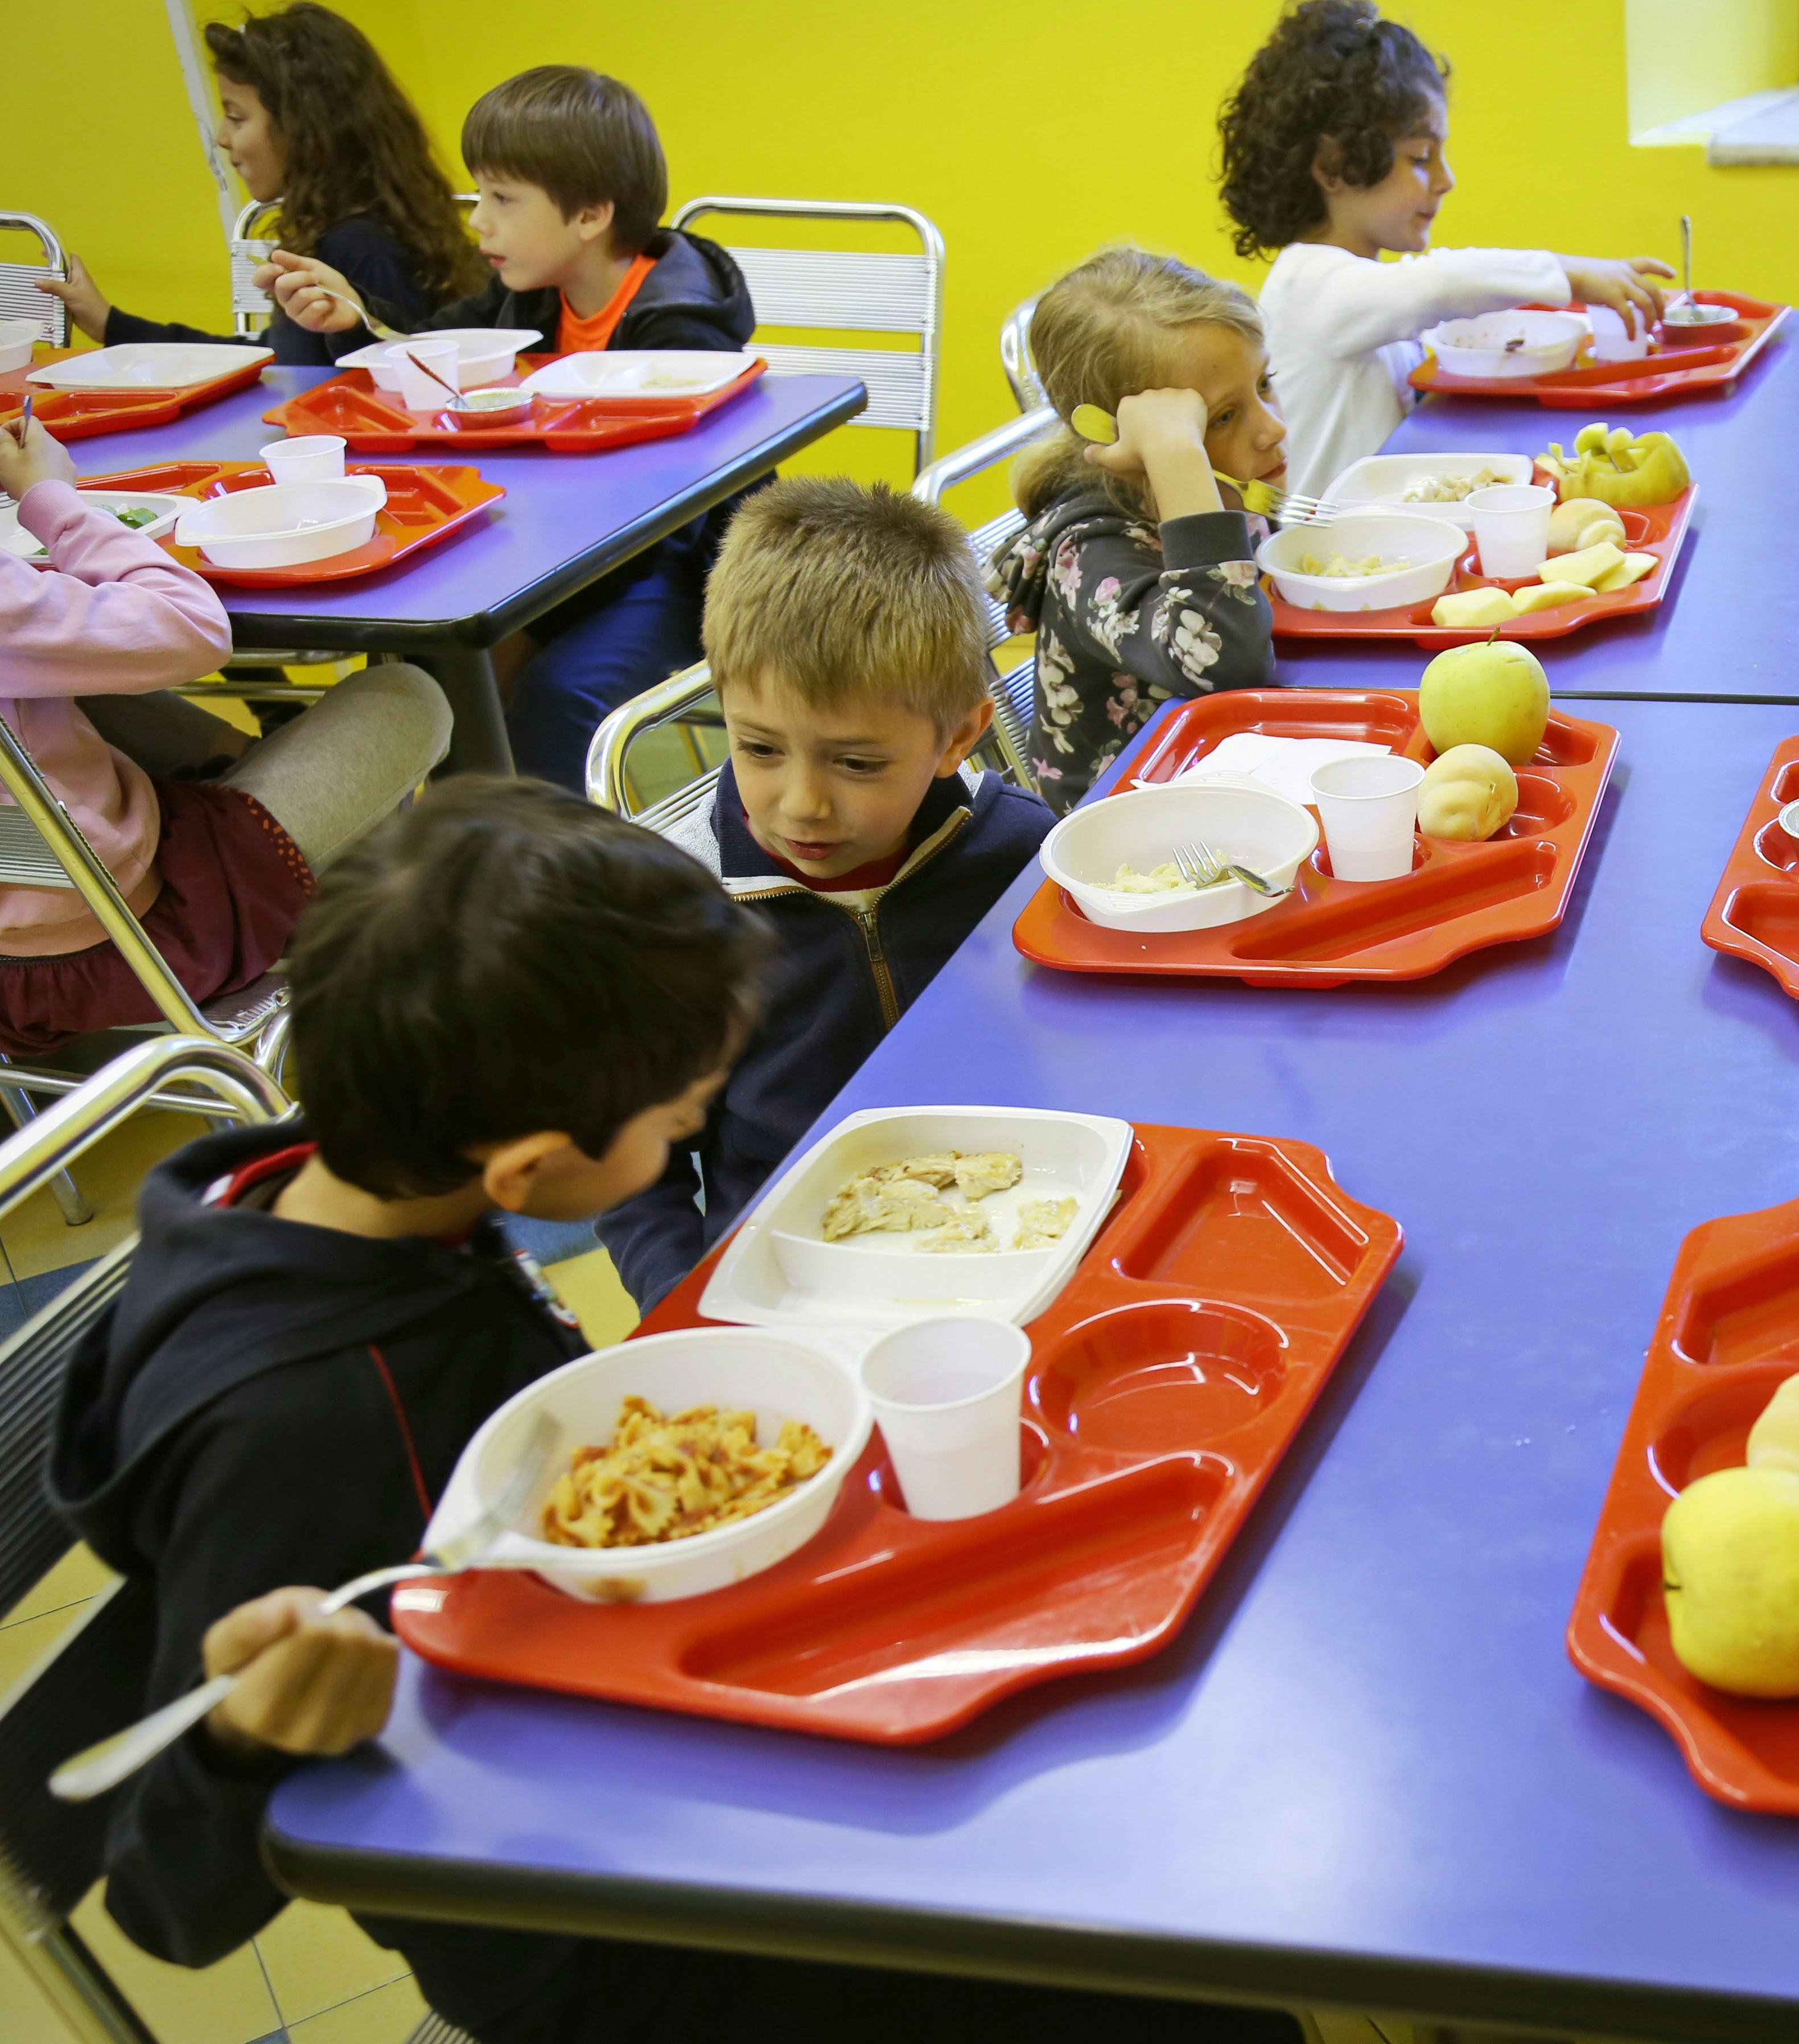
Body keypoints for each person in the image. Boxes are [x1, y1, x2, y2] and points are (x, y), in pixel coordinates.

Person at [46, 780, 1296, 2044]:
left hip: (630, 1711)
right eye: (680, 1121)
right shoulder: (299, 1427)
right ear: (531, 1173)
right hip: (608, 1930)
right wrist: (247, 1742)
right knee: (1160, 1956)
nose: (698, 1126)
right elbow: (168, 1907)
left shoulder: (319, 1177)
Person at [600, 479, 1054, 1311]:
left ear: (957, 736)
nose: (803, 803)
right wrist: (678, 1299)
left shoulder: (1021, 854)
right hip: (788, 1278)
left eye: (856, 764)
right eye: (761, 748)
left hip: (1014, 1239)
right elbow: (634, 1170)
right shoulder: (670, 918)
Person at [268, 64, 754, 789]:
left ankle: (550, 883)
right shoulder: (528, 299)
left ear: (589, 214)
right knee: (422, 668)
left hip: (667, 576)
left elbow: (676, 520)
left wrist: (523, 616)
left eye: (501, 198)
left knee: (557, 694)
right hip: (552, 562)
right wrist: (355, 321)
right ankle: (457, 849)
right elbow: (426, 354)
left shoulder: (679, 329)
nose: (477, 221)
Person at [0, 413, 450, 1052]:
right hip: (126, 944)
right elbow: (190, 628)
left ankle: (262, 796)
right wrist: (52, 500)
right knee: (406, 696)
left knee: (78, 687)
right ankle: (385, 936)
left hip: (29, 921)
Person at [1220, 0, 1674, 496]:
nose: (1446, 179)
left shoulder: (1364, 293)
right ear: (1333, 166)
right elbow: (1438, 286)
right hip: (1332, 560)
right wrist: (1573, 274)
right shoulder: (1307, 283)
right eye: (1420, 157)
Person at [991, 245, 1280, 813]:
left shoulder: (1223, 490)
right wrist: (1177, 454)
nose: (1272, 428)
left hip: (1229, 775)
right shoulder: (1091, 554)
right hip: (1130, 831)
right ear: (1119, 435)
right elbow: (1226, 665)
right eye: (1221, 417)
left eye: (1265, 384)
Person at [46, 4, 482, 368]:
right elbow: (273, 360)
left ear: (304, 129)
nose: (221, 136)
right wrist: (113, 326)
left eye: (236, 117)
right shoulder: (343, 232)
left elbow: (390, 381)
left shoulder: (361, 248)